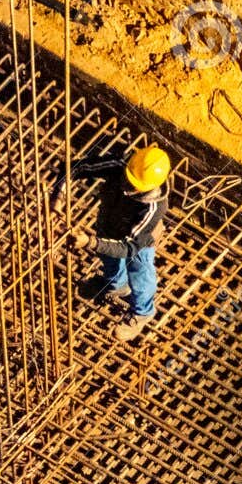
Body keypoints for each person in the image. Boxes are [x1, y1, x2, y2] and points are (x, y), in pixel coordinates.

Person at [52, 145, 171, 342]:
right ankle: (117, 286)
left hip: (138, 241)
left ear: (148, 187)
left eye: (134, 185)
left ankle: (143, 312)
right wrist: (58, 197)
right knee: (109, 261)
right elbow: (75, 167)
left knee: (140, 271)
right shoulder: (122, 166)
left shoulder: (153, 206)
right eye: (127, 177)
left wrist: (91, 242)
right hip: (108, 226)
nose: (126, 183)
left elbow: (129, 247)